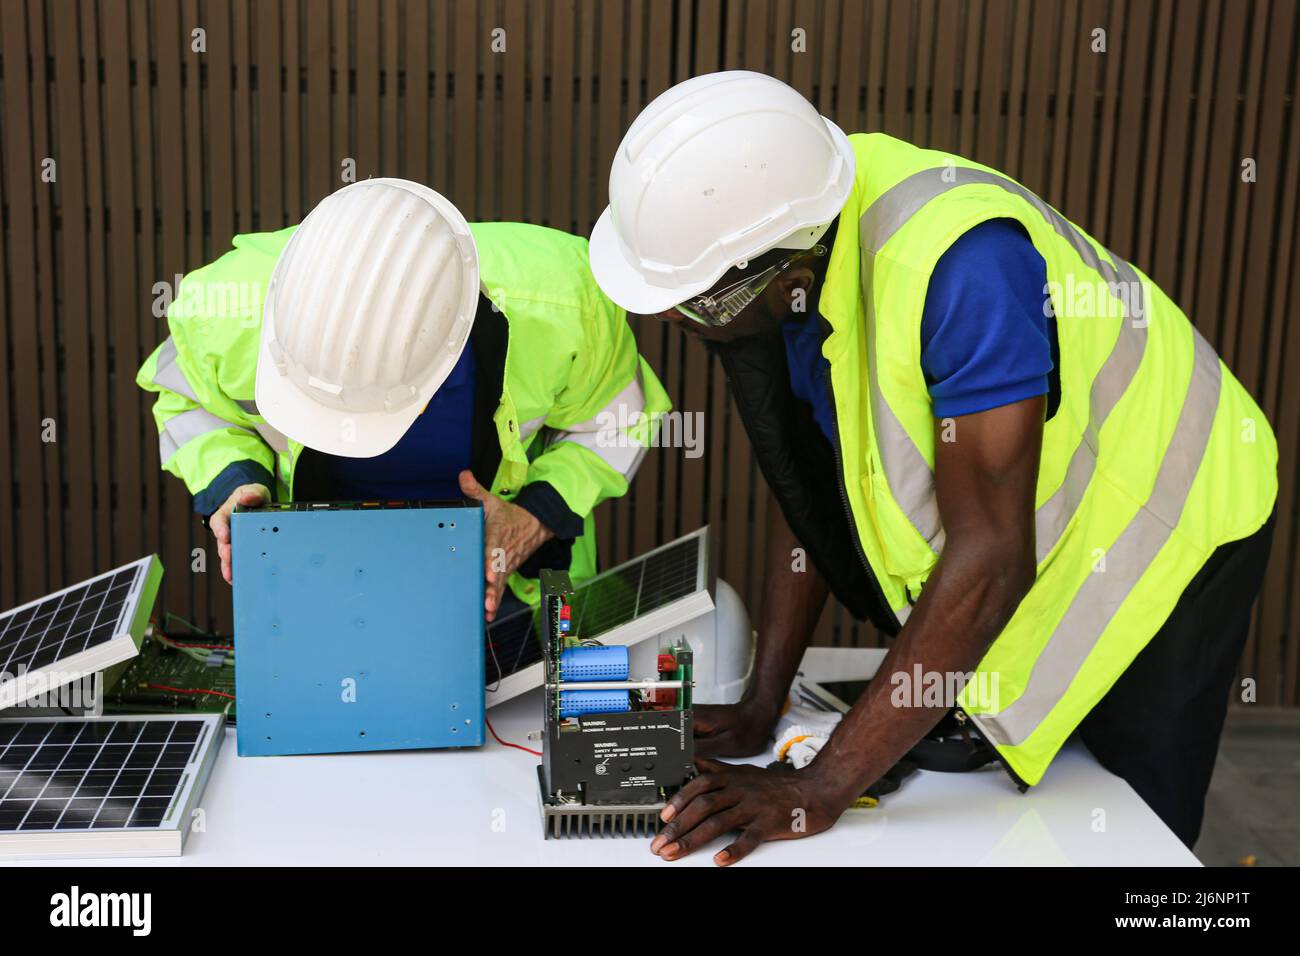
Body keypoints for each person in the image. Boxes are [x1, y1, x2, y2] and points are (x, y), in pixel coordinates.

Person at [588, 71, 1277, 863]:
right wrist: (759, 707)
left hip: (1176, 517)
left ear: (784, 272)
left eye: (694, 304)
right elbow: (813, 496)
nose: (675, 321)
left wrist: (820, 789)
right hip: (1051, 522)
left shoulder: (961, 274)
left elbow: (989, 557)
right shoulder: (802, 232)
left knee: (1123, 823)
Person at [139, 178, 668, 619]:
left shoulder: (566, 301)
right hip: (322, 572)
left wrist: (533, 518)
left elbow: (617, 424)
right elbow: (189, 405)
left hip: (515, 584)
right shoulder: (219, 312)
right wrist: (234, 482)